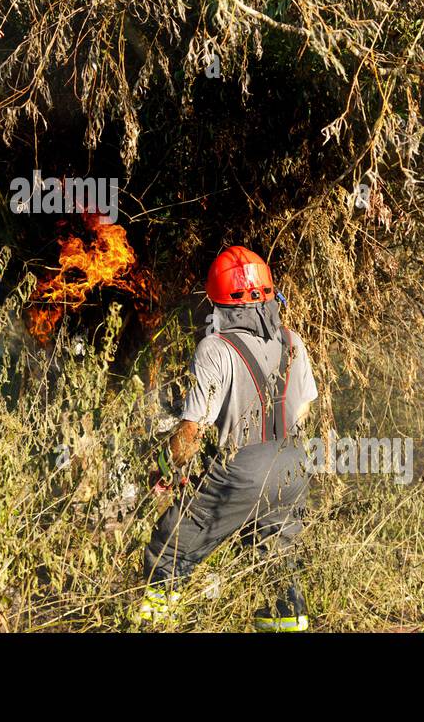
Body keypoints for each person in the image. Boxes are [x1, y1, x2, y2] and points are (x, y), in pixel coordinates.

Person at [138, 245, 318, 631]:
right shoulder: (292, 340)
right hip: (295, 468)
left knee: (170, 548)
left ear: (217, 302)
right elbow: (302, 411)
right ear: (270, 294)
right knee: (274, 568)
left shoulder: (214, 348)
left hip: (242, 471)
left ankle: (152, 626)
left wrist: (165, 471)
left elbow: (191, 431)